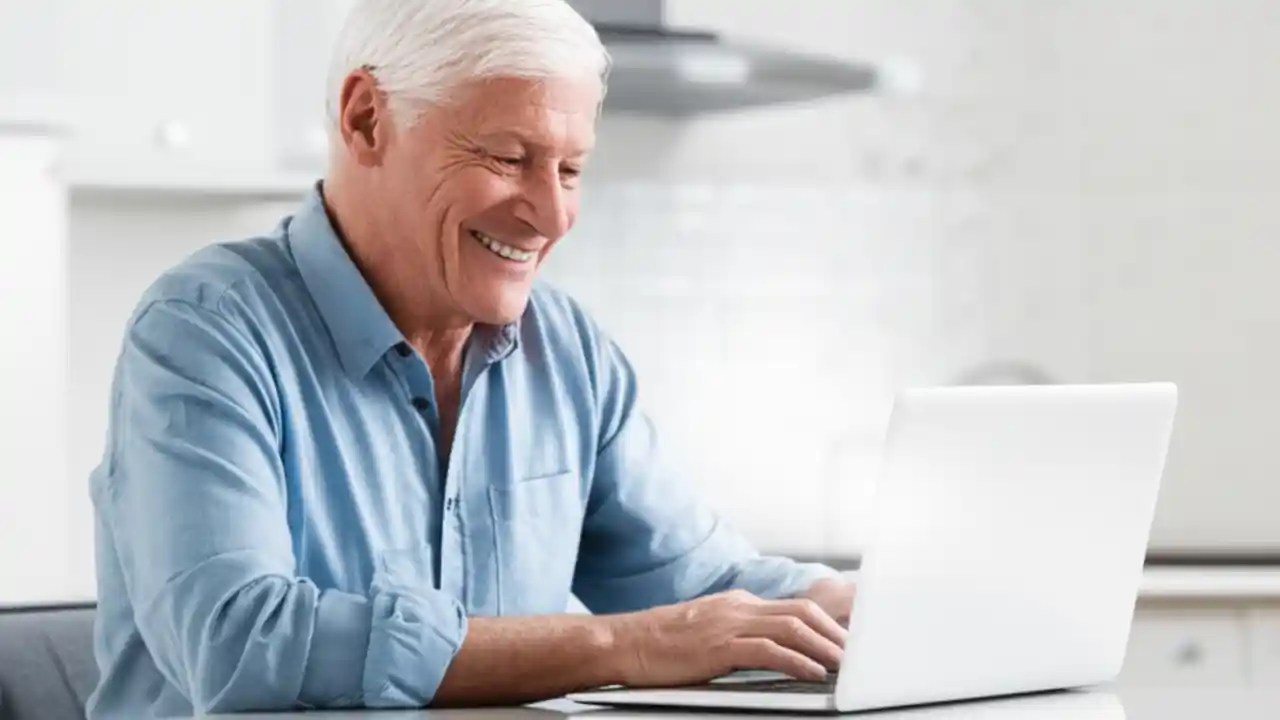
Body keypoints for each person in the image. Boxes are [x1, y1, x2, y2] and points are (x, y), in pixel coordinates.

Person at [86, 0, 854, 716]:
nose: (553, 214)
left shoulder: (569, 353)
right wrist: (624, 645)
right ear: (366, 119)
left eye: (571, 170)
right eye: (509, 157)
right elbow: (241, 641)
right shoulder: (206, 329)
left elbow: (708, 590)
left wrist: (881, 605)